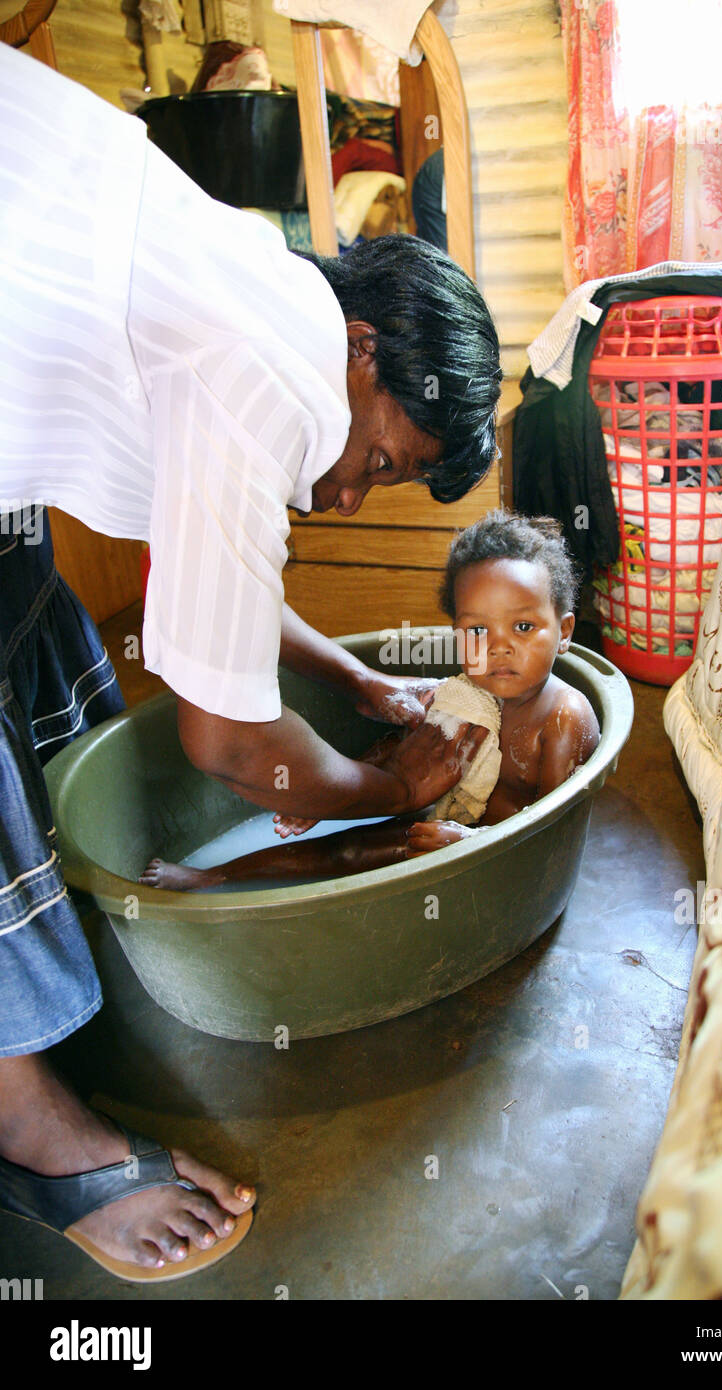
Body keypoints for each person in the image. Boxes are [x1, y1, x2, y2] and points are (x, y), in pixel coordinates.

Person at [0, 42, 501, 1280]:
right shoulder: (273, 367)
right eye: (381, 462)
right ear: (367, 351)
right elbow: (222, 741)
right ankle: (24, 1119)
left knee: (32, 607)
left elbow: (215, 583)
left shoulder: (251, 299)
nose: (348, 493)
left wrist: (362, 685)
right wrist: (390, 793)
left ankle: (76, 934)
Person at [139, 512, 601, 892]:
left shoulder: (563, 718)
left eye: (522, 628)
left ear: (563, 632)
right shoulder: (468, 694)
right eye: (478, 631)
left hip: (500, 859)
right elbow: (400, 754)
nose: (498, 647)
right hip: (438, 827)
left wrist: (471, 840)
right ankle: (216, 875)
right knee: (350, 849)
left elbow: (554, 826)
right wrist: (321, 798)